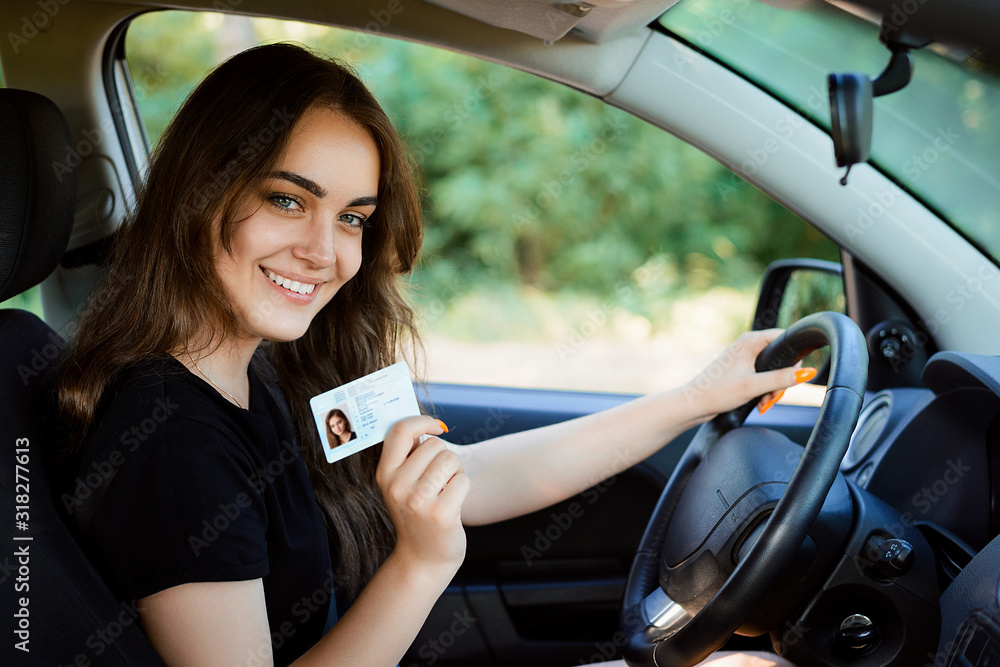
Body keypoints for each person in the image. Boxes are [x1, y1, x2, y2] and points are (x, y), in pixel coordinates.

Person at [55, 43, 806, 666]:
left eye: (352, 217)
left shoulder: (268, 367)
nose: (324, 250)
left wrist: (695, 397)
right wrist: (421, 563)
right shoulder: (168, 434)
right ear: (199, 191)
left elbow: (465, 479)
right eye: (288, 199)